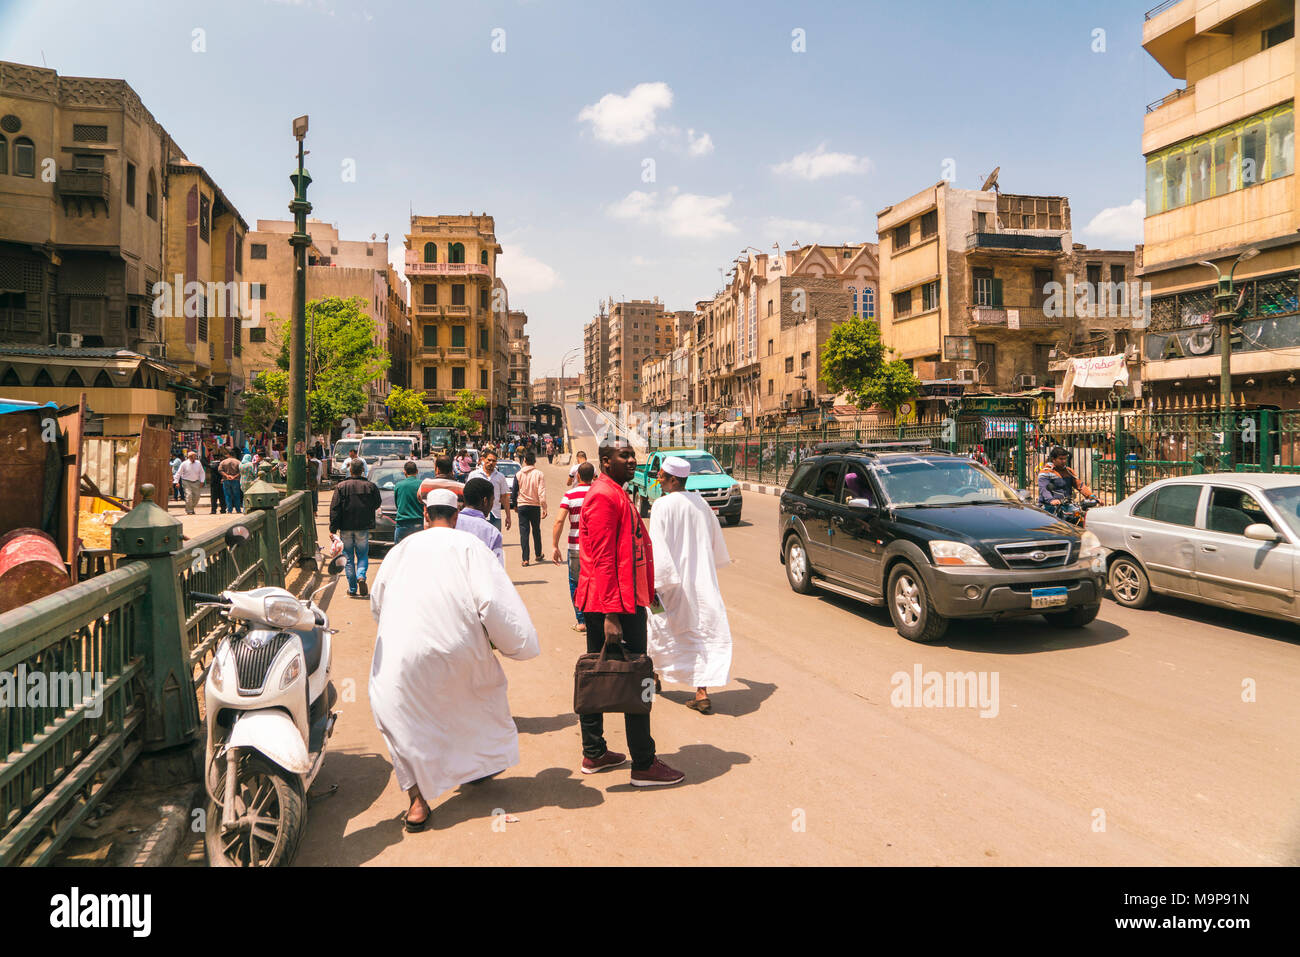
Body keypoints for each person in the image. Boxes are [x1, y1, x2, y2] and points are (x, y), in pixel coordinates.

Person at [368, 487, 540, 832]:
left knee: (401, 720)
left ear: (426, 516)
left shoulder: (401, 549)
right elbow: (493, 601)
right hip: (458, 647)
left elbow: (378, 601)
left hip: (405, 653)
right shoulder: (470, 546)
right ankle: (478, 765)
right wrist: (517, 645)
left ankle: (417, 802)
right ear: (457, 517)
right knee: (472, 702)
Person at [574, 439, 684, 787]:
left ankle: (594, 752)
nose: (634, 460)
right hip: (614, 603)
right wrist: (611, 615)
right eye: (625, 456)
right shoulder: (605, 496)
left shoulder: (614, 491)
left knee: (598, 670)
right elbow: (604, 557)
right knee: (640, 677)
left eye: (633, 454)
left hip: (618, 598)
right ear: (606, 461)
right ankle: (644, 763)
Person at [646, 456, 733, 715]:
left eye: (661, 477)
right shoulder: (701, 503)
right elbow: (716, 540)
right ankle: (701, 693)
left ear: (674, 479)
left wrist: (655, 583)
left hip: (670, 583)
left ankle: (651, 681)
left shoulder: (662, 506)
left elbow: (657, 547)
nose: (658, 480)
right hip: (701, 582)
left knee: (659, 628)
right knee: (701, 631)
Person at [552, 460, 594, 633]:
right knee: (594, 583)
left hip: (576, 547)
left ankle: (581, 620)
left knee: (575, 583)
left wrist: (555, 545)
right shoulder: (598, 493)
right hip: (595, 548)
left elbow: (559, 520)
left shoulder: (570, 495)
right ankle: (594, 620)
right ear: (594, 476)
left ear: (577, 476)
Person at [330, 459, 381, 598]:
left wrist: (332, 529)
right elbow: (377, 503)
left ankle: (352, 588)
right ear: (362, 470)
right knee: (363, 555)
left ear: (350, 470)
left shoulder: (341, 486)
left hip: (345, 527)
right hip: (363, 527)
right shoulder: (370, 486)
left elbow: (335, 508)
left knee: (348, 557)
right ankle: (361, 576)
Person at [457, 477, 504, 564]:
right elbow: (497, 570)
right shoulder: (492, 533)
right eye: (492, 500)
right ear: (485, 501)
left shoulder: (449, 524)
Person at [514, 450, 547, 566]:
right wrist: (544, 508)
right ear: (535, 462)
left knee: (524, 533)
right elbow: (541, 492)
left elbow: (514, 492)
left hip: (522, 506)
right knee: (536, 531)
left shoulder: (518, 474)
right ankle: (538, 554)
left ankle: (525, 559)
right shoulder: (539, 474)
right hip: (535, 506)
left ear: (525, 461)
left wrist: (515, 505)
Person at [468, 450, 512, 533]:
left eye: (494, 461)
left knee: (494, 543)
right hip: (476, 515)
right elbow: (468, 495)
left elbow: (504, 498)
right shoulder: (474, 475)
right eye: (489, 460)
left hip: (495, 515)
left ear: (496, 462)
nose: (491, 462)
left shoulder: (500, 477)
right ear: (483, 459)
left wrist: (508, 516)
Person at [1038, 445, 1092, 512]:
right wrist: (1051, 500)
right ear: (1053, 459)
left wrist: (1092, 497)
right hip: (1049, 506)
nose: (1064, 461)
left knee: (1079, 516)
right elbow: (1044, 489)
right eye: (1061, 459)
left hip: (1066, 504)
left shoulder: (1068, 471)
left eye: (1065, 458)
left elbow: (1080, 485)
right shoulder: (1046, 472)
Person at [392, 461, 425, 544]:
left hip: (402, 524)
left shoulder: (399, 485)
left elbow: (397, 504)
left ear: (404, 472)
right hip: (419, 523)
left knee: (400, 552)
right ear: (417, 471)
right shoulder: (422, 484)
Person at [218, 449, 243, 514]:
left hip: (226, 480)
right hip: (236, 480)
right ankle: (238, 510)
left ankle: (229, 510)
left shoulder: (223, 462)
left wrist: (227, 476)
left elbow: (220, 470)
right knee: (236, 495)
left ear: (228, 455)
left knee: (227, 495)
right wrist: (234, 476)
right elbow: (241, 471)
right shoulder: (238, 462)